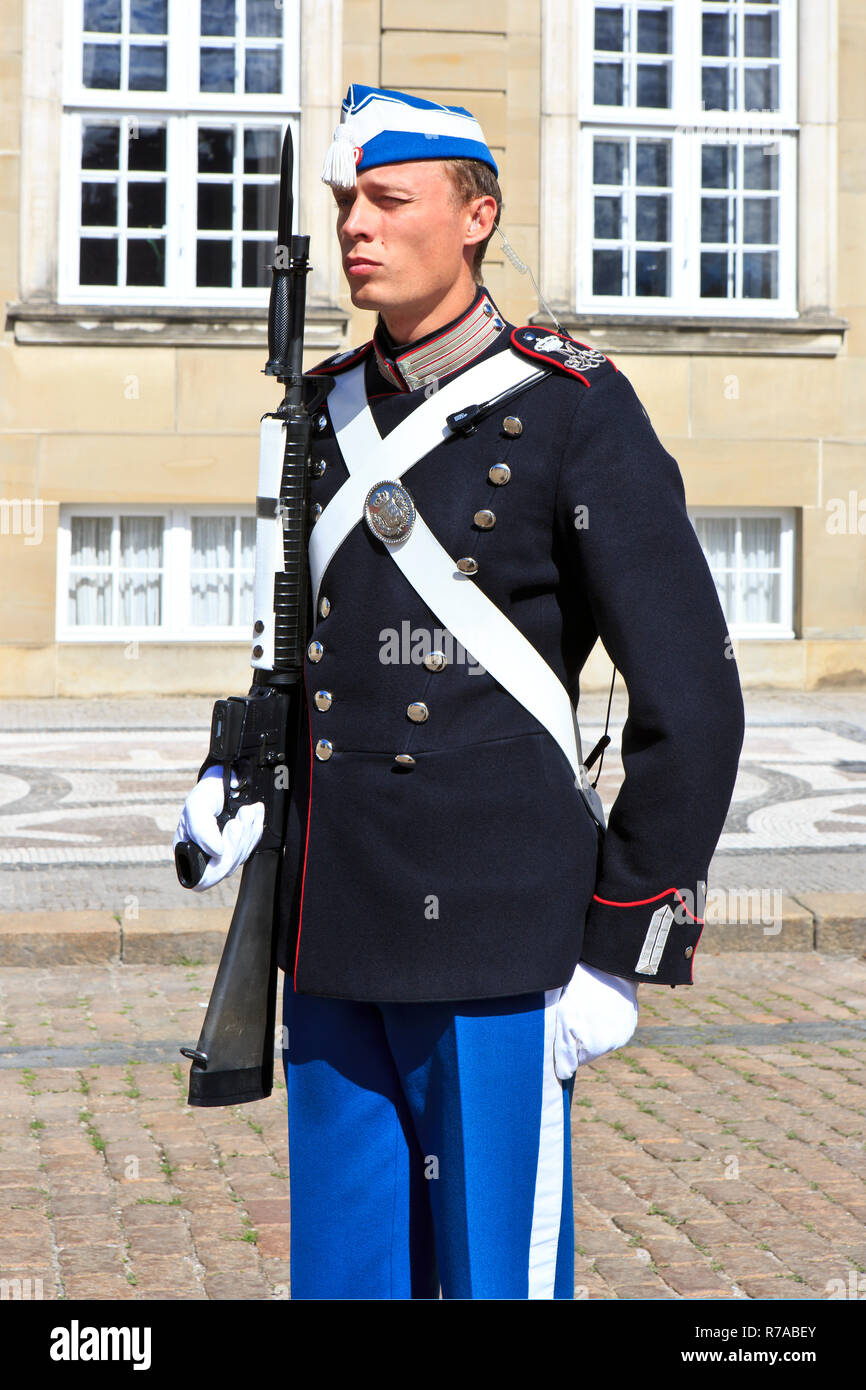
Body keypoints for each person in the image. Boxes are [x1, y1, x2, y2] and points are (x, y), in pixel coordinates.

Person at [175, 84, 745, 1300]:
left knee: (498, 1277)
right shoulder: (321, 409)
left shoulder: (572, 409)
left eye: (389, 199)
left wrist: (617, 945)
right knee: (346, 1276)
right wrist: (236, 769)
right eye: (345, 204)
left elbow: (691, 700)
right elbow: (304, 648)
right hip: (335, 935)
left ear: (475, 214)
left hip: (501, 941)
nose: (356, 229)